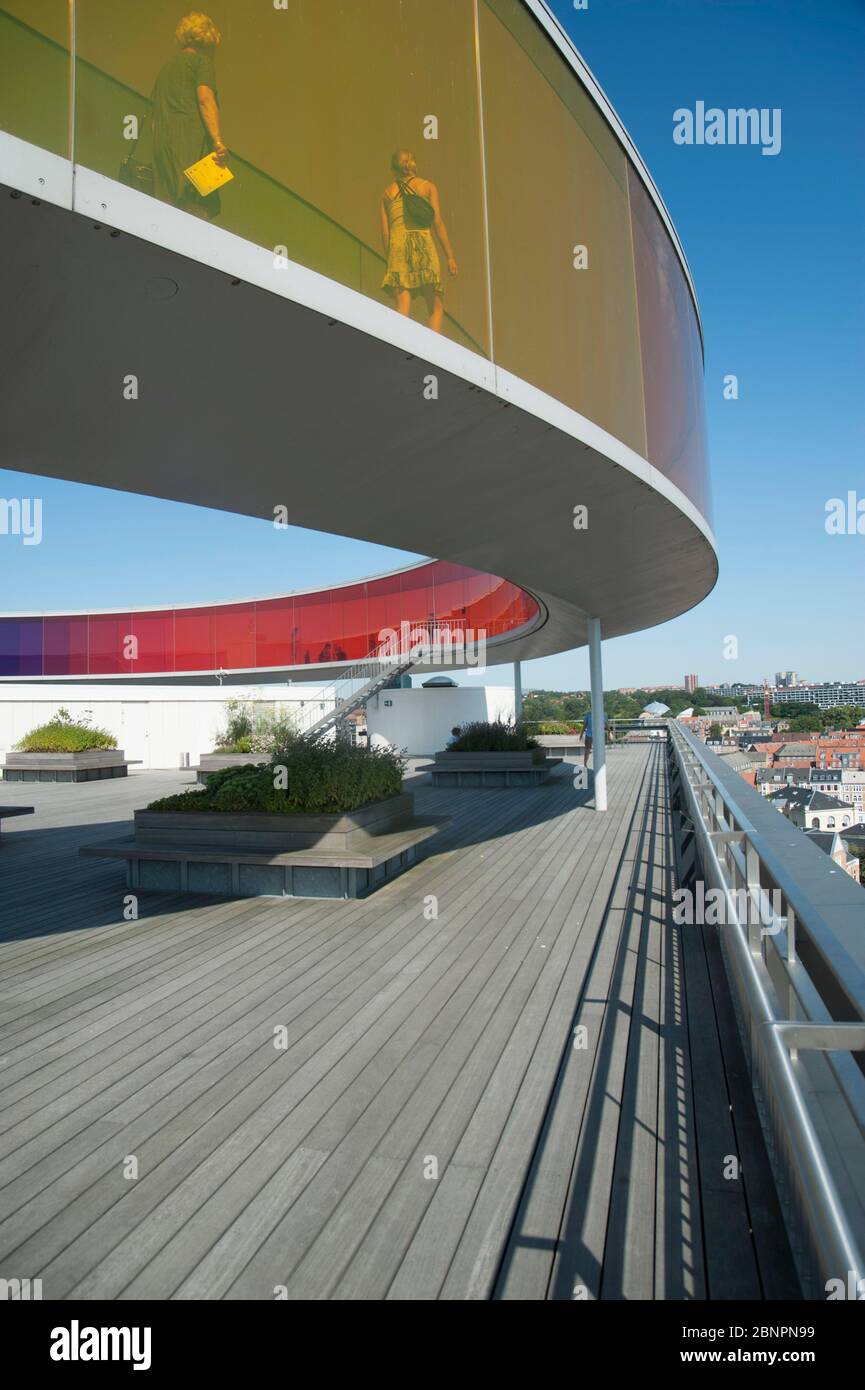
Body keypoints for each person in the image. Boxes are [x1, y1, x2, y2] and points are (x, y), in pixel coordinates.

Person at [151, 13, 228, 220]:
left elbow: (154, 120)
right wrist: (217, 141)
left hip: (164, 155)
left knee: (169, 215)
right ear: (209, 41)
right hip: (191, 154)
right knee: (197, 213)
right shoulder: (201, 63)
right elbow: (205, 99)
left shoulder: (165, 70)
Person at [381, 150, 458, 333]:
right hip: (423, 245)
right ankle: (432, 351)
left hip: (398, 248)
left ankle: (398, 347)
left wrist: (390, 260)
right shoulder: (427, 187)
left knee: (402, 307)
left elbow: (386, 233)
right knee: (435, 306)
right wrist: (450, 256)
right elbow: (437, 222)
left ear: (393, 169)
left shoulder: (387, 194)